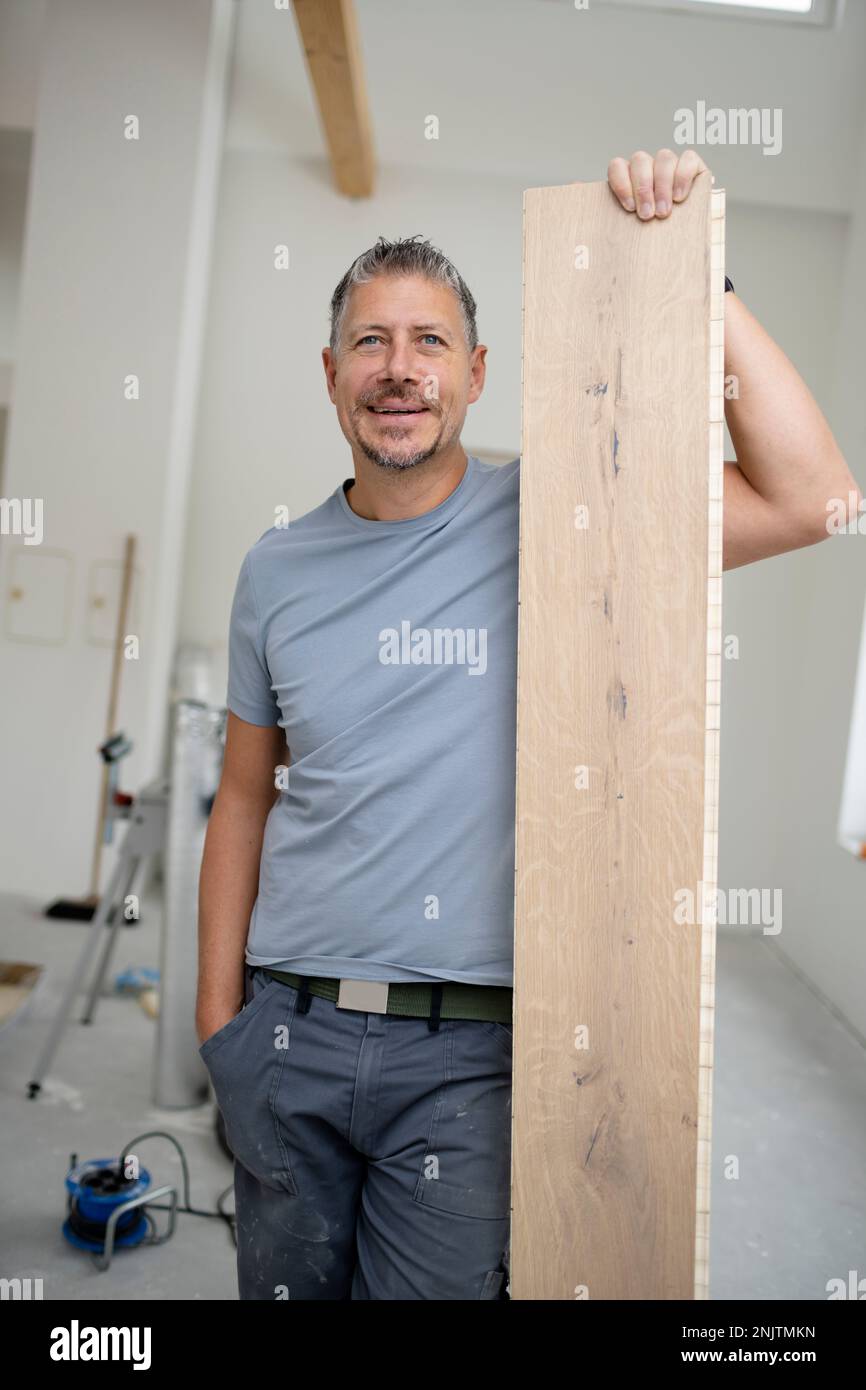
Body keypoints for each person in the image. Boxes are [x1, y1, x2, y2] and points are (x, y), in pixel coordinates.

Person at [195, 148, 861, 1300]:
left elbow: (814, 498)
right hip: (284, 1035)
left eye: (429, 342)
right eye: (370, 341)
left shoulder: (565, 513)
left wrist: (703, 274)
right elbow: (245, 796)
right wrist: (220, 1029)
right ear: (329, 371)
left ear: (477, 372)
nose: (398, 370)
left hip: (468, 1056)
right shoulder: (276, 567)